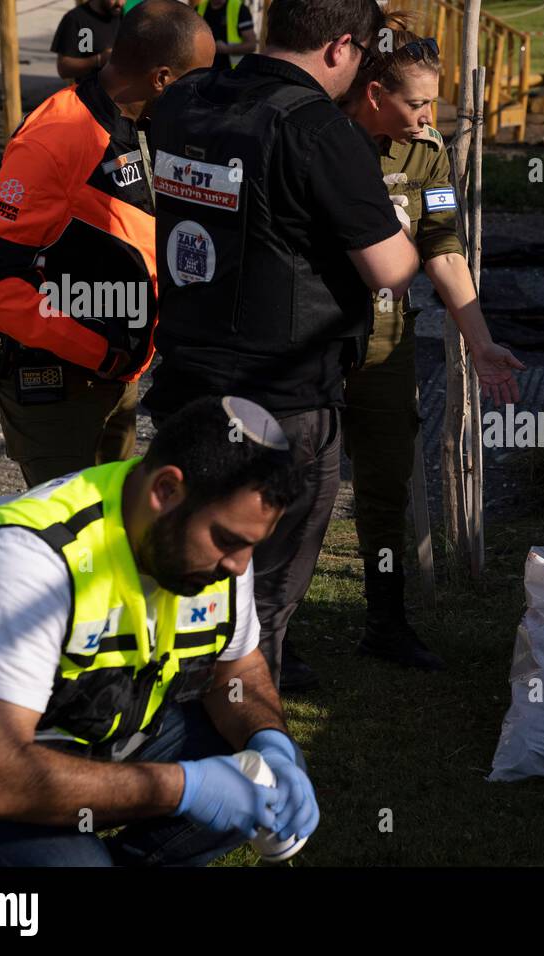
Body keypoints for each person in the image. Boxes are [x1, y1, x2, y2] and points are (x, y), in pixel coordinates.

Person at [0, 396, 320, 867]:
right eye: (227, 541)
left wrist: (269, 742)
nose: (237, 566)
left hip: (72, 732)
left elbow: (236, 668)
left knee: (253, 769)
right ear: (166, 491)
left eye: (251, 545)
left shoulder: (215, 544)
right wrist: (180, 788)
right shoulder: (26, 563)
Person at [144, 0, 420, 692]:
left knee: (176, 563)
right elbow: (390, 269)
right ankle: (227, 741)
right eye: (360, 55)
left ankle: (152, 710)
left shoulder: (185, 99)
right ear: (342, 47)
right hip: (282, 400)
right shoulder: (321, 132)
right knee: (257, 591)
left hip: (184, 381)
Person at [0, 2, 214, 490]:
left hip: (114, 375)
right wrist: (95, 347)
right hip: (58, 384)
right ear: (161, 78)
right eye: (197, 79)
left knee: (110, 528)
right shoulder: (62, 135)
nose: (204, 93)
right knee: (63, 545)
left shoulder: (139, 124)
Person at [339, 14, 523, 670]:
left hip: (386, 340)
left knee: (385, 482)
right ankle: (268, 638)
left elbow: (442, 244)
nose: (426, 117)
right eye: (415, 103)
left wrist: (479, 339)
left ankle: (385, 622)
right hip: (315, 338)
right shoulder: (323, 139)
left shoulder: (429, 150)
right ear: (373, 95)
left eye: (433, 104)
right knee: (293, 484)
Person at [52, 0, 126, 82]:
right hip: (91, 92)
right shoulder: (76, 19)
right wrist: (99, 60)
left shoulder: (122, 15)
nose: (120, 3)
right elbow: (64, 69)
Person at [195, 0, 258, 70]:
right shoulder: (198, 9)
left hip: (232, 73)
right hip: (204, 71)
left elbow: (252, 45)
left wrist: (227, 49)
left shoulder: (239, 8)